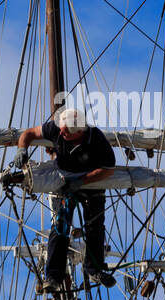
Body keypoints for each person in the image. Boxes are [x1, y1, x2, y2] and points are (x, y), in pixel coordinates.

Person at [16, 107, 117, 288]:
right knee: (60, 226)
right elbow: (29, 133)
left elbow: (109, 169)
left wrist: (83, 180)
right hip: (63, 180)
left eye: (66, 131)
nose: (61, 133)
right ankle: (53, 276)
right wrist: (22, 149)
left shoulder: (96, 139)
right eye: (60, 128)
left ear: (79, 131)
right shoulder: (56, 128)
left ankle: (94, 270)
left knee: (94, 225)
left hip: (90, 182)